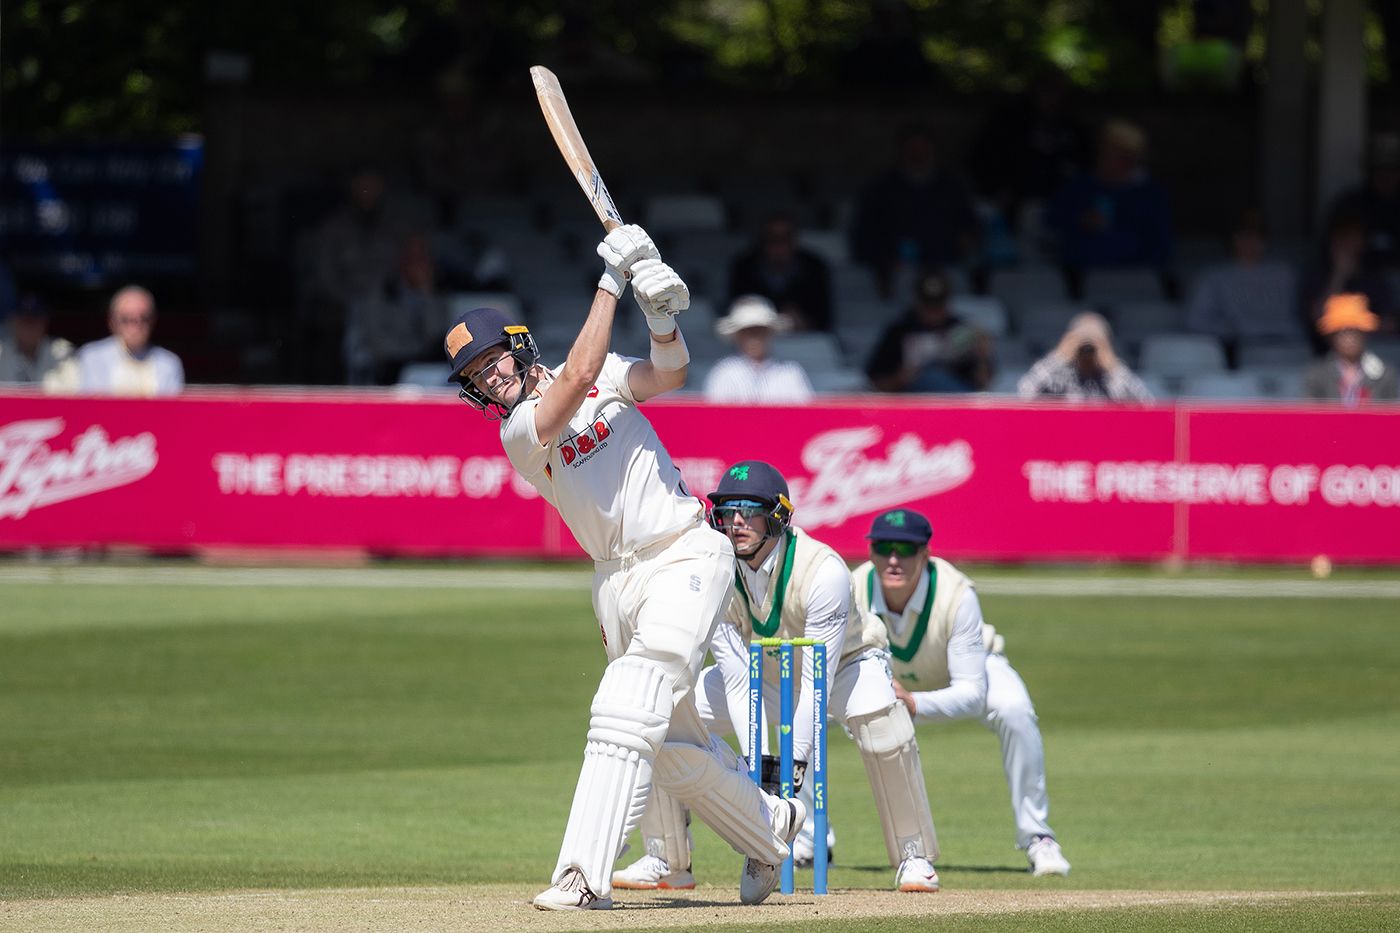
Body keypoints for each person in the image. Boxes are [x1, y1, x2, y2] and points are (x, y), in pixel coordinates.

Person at [444, 225, 802, 911]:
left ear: (517, 348)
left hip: (683, 551)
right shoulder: (519, 432)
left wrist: (663, 319)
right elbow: (576, 377)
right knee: (664, 743)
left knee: (624, 703)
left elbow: (669, 373)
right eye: (476, 375)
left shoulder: (609, 376)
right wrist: (612, 280)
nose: (490, 376)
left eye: (493, 360)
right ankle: (770, 826)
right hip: (616, 580)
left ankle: (583, 876)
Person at [613, 461, 943, 894]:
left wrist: (792, 765)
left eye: (749, 510)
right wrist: (758, 776)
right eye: (728, 511)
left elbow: (815, 680)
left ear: (778, 516)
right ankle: (668, 858)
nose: (736, 522)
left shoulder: (823, 571)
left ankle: (913, 855)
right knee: (664, 707)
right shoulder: (714, 569)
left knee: (884, 721)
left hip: (846, 667)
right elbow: (734, 675)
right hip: (763, 672)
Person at [855, 508, 1072, 877]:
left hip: (971, 668)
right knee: (808, 711)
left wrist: (914, 703)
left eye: (905, 549)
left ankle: (1038, 837)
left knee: (1014, 710)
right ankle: (809, 843)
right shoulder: (853, 587)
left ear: (925, 553)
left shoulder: (957, 594)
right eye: (883, 548)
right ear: (872, 551)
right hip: (889, 681)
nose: (893, 559)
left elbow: (971, 693)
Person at [1046, 120, 1174, 298]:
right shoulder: (1079, 187)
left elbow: (1160, 242)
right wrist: (1080, 219)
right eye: (1109, 151)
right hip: (1079, 278)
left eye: (1122, 153)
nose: (1113, 158)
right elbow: (1052, 220)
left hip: (1136, 277)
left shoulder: (1151, 194)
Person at [848, 127, 980, 299]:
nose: (918, 155)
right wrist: (884, 263)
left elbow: (970, 228)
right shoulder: (881, 189)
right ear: (901, 152)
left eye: (923, 149)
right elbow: (864, 236)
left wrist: (965, 245)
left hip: (945, 269)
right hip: (895, 274)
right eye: (912, 150)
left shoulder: (951, 187)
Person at [1185, 208, 1299, 355]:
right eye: (1244, 235)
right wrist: (1229, 329)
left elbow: (1299, 321)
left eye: (1257, 235)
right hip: (1235, 352)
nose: (1250, 241)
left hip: (1286, 350)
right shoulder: (1214, 277)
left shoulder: (1284, 274)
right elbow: (1194, 321)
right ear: (1233, 239)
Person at [864, 271, 993, 393]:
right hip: (912, 406)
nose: (933, 314)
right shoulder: (900, 330)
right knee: (929, 377)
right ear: (918, 302)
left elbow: (983, 384)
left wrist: (982, 357)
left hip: (957, 404)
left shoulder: (961, 330)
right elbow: (875, 382)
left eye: (938, 306)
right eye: (928, 306)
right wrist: (899, 379)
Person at [345, 232, 447, 385]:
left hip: (420, 367)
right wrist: (414, 352)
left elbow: (437, 336)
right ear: (401, 259)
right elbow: (376, 341)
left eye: (422, 257)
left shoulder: (435, 294)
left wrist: (427, 293)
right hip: (386, 367)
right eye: (412, 257)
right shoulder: (381, 292)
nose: (417, 264)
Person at [1299, 212, 1397, 353]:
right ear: (1332, 241)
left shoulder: (1373, 277)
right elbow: (1318, 319)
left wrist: (1353, 325)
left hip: (1374, 349)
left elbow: (1389, 323)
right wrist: (1339, 275)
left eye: (1353, 236)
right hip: (1329, 352)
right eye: (1342, 237)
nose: (1347, 243)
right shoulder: (1317, 275)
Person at [726, 212, 834, 333]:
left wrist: (804, 322)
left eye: (786, 237)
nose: (779, 243)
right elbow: (736, 311)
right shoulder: (744, 267)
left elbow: (824, 318)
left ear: (795, 240)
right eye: (773, 237)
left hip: (803, 338)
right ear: (763, 240)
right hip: (755, 338)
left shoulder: (815, 267)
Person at [1017, 312, 1152, 403]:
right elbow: (1025, 393)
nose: (1087, 347)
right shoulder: (1059, 374)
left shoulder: (1112, 377)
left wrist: (1112, 364)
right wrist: (1059, 356)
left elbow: (1144, 404)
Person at [76, 285, 184, 396]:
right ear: (112, 321)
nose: (135, 326)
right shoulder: (92, 357)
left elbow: (171, 410)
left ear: (153, 321)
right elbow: (91, 406)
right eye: (126, 319)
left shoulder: (169, 363)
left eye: (143, 318)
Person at [703, 296, 814, 404]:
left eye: (760, 330)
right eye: (747, 331)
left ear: (770, 332)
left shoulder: (790, 373)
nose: (754, 337)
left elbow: (805, 416)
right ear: (737, 335)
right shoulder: (723, 373)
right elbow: (715, 417)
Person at [1302, 293, 1399, 405]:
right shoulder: (1316, 375)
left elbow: (1391, 417)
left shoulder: (1385, 374)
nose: (1350, 339)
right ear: (1332, 337)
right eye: (1343, 333)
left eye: (1355, 331)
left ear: (1365, 334)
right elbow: (1310, 416)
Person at [1325, 131, 1400, 270]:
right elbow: (1329, 251)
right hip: (1358, 278)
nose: (1386, 175)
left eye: (1393, 169)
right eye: (1380, 169)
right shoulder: (1350, 205)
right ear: (1370, 171)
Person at [0, 294, 79, 391]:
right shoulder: (1, 351)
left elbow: (73, 394)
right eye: (25, 321)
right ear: (12, 321)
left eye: (34, 321)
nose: (29, 327)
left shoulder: (62, 352)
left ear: (44, 322)